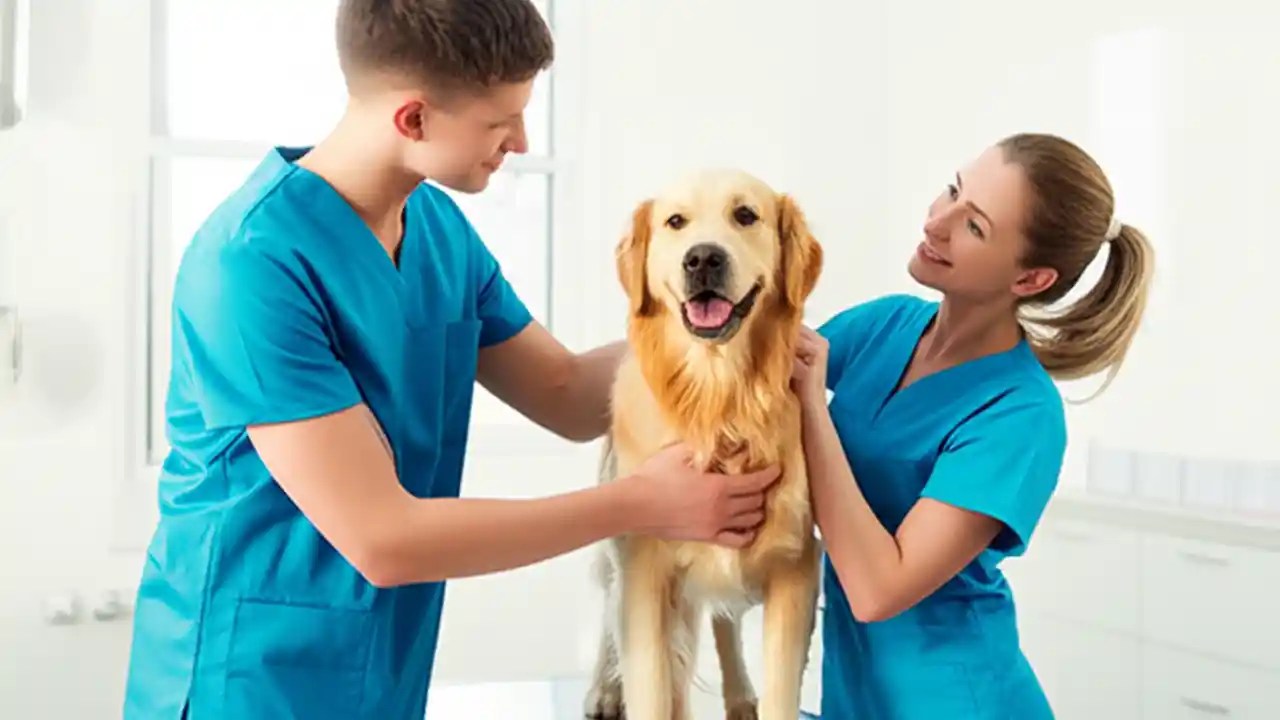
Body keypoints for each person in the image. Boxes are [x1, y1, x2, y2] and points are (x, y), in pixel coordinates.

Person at [120, 2, 779, 718]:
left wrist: (733, 332)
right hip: (243, 678)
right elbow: (384, 538)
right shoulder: (249, 264)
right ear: (414, 119)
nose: (521, 142)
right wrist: (639, 502)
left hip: (381, 667)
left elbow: (564, 392)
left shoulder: (437, 231)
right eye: (500, 123)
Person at [790, 132, 1154, 719]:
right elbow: (754, 374)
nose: (937, 222)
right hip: (854, 701)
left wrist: (810, 407)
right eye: (953, 191)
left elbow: (879, 588)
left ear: (1030, 280)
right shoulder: (886, 325)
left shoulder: (1021, 413)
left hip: (959, 701)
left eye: (975, 225)